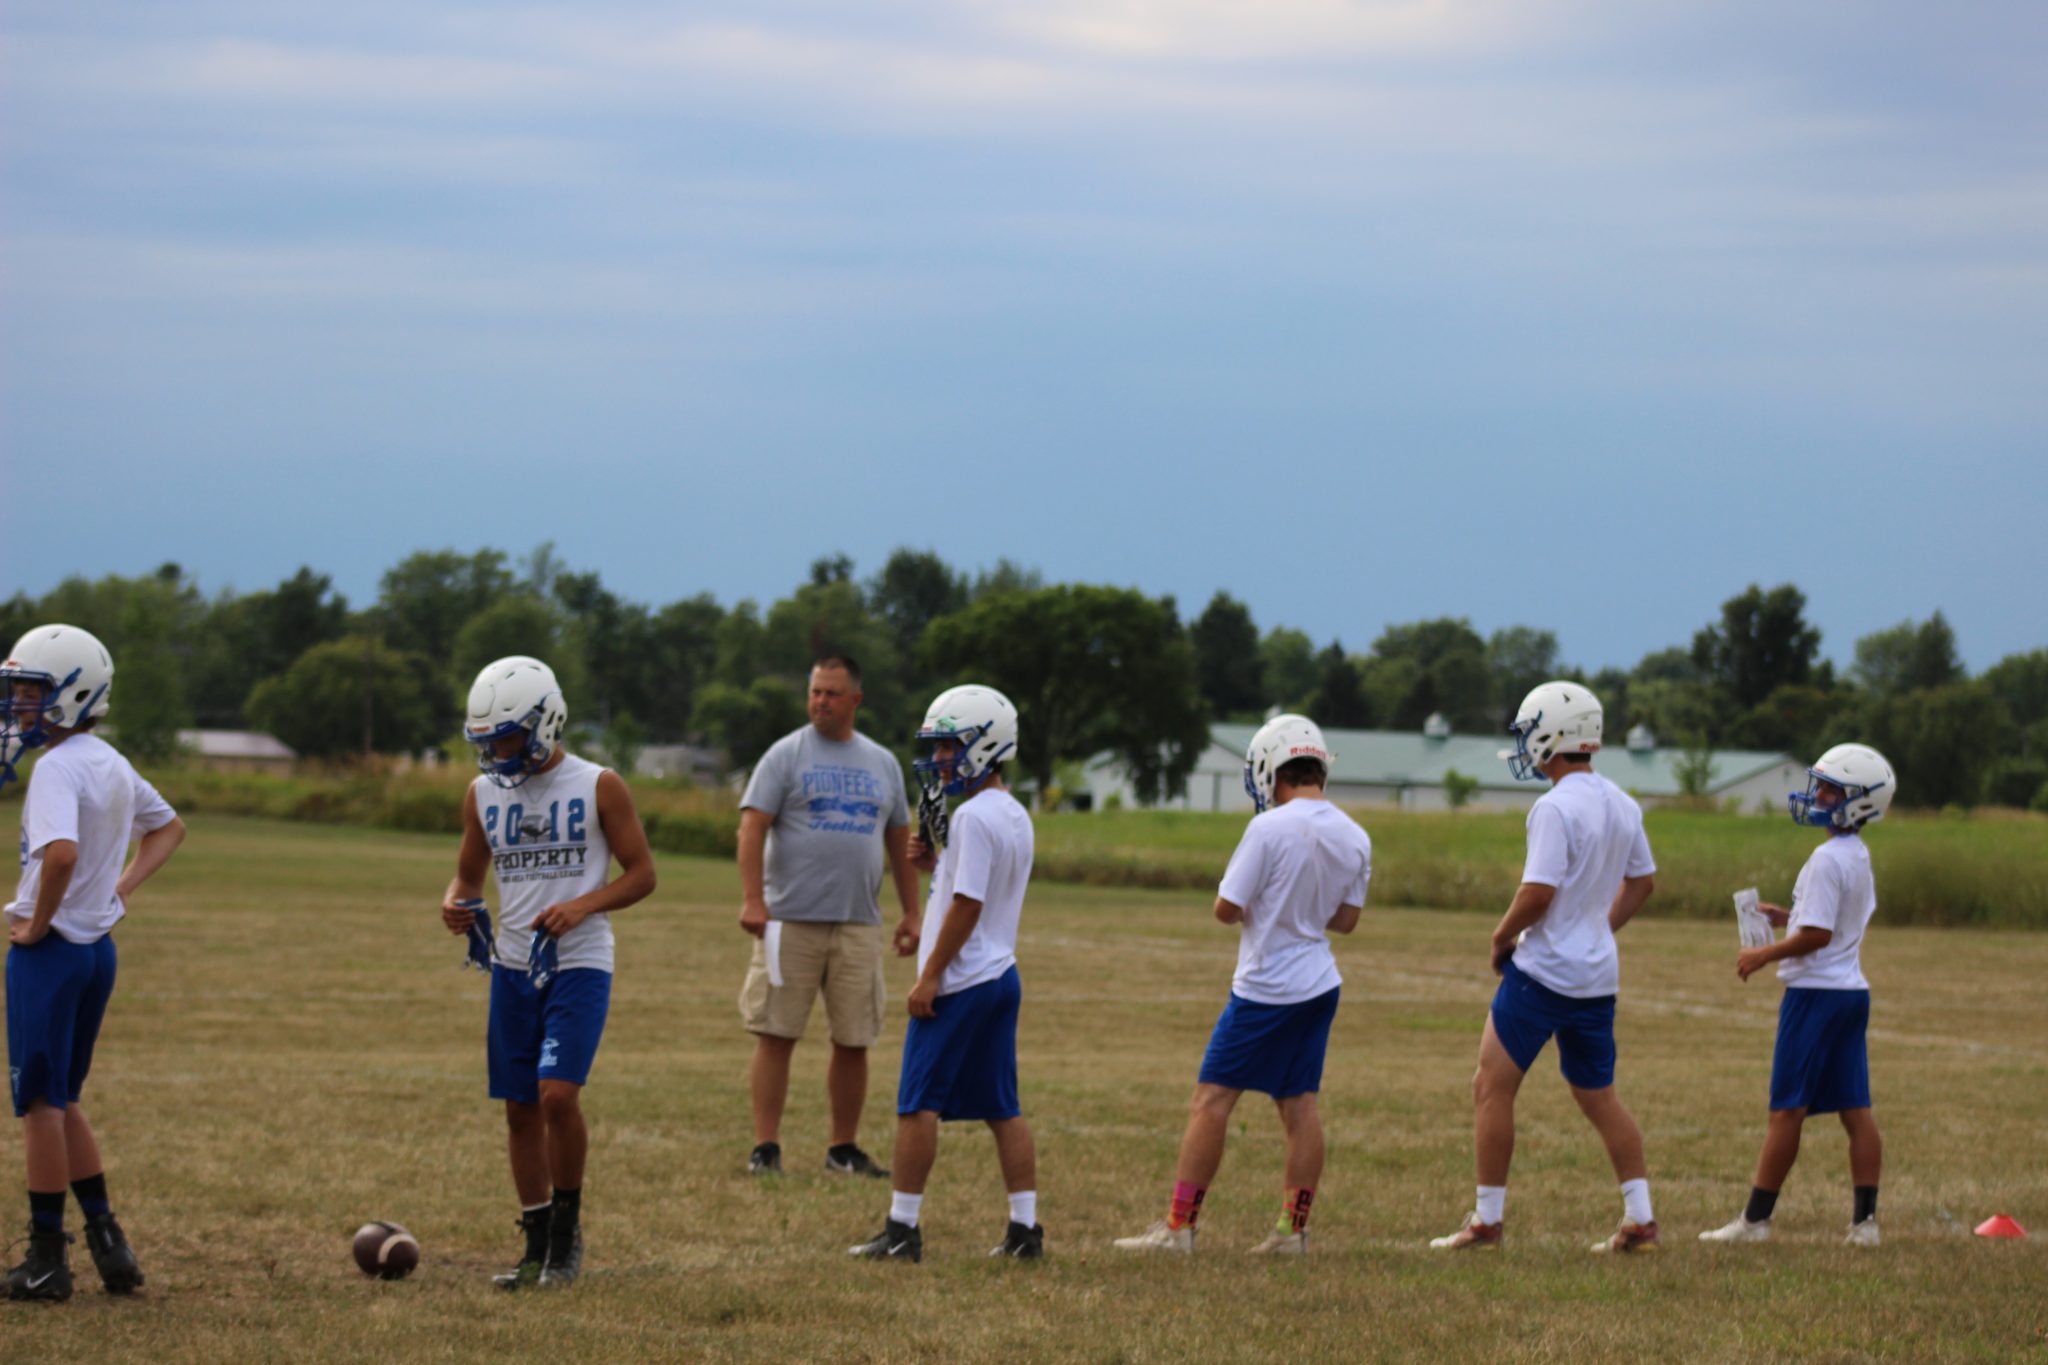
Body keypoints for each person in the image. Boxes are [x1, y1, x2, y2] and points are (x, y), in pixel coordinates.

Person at [1114, 715, 1370, 1256]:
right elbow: (1345, 922)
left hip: (1266, 987)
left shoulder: (1268, 828)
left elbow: (1225, 910)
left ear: (1270, 768)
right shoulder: (1354, 833)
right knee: (1299, 1106)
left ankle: (1180, 1228)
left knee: (1210, 1102)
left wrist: (1273, 907)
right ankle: (1292, 1231)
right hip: (1320, 983)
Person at [440, 656, 656, 1289]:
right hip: (511, 966)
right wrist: (455, 902)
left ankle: (567, 1235)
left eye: (504, 737)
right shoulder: (483, 794)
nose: (495, 752)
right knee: (518, 1109)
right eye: (486, 741)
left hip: (579, 963)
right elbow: (467, 875)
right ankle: (534, 1243)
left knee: (557, 1096)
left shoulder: (599, 784)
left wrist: (583, 904)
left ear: (545, 722)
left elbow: (643, 874)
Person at [1431, 681, 1661, 1254]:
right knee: (1598, 1096)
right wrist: (1600, 930)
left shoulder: (1554, 806)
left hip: (1542, 973)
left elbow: (1537, 893)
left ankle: (1487, 1219)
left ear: (1553, 734)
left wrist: (1501, 934)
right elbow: (1643, 881)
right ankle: (1641, 1216)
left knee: (1492, 1087)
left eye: (1529, 730)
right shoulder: (1623, 802)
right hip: (1596, 977)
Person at [3, 624, 185, 1302]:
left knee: (40, 1105)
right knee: (64, 1097)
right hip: (96, 952)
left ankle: (48, 1258)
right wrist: (121, 888)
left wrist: (38, 921)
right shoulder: (106, 758)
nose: (19, 705)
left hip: (53, 953)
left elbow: (60, 855)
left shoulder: (57, 765)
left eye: (31, 691)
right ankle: (108, 1240)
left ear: (73, 692)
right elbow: (169, 826)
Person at [849, 684, 1039, 1262]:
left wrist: (930, 974)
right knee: (1002, 1107)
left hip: (964, 981)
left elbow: (968, 904)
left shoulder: (976, 816)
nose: (938, 761)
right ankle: (1025, 1230)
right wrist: (938, 861)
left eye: (950, 747)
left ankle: (903, 1230)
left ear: (987, 745)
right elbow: (973, 883)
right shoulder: (1011, 813)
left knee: (916, 1105)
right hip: (999, 974)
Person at [1701, 743, 1894, 1248]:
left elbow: (1819, 937)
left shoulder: (1827, 858)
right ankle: (1865, 1223)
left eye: (1832, 790)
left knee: (1787, 1111)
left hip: (1816, 996)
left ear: (1859, 803)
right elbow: (1828, 921)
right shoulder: (1855, 854)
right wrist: (1788, 917)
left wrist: (1763, 955)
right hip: (1850, 993)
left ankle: (1755, 1221)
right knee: (1856, 1109)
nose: (1820, 796)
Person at [737, 656, 920, 1178]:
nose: (821, 701)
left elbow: (899, 839)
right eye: (815, 691)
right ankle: (765, 1146)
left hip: (858, 921)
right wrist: (754, 900)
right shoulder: (786, 755)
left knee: (854, 1037)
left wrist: (912, 913)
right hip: (790, 919)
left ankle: (843, 1148)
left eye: (832, 693)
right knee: (776, 1031)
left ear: (856, 700)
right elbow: (752, 829)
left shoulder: (882, 762)